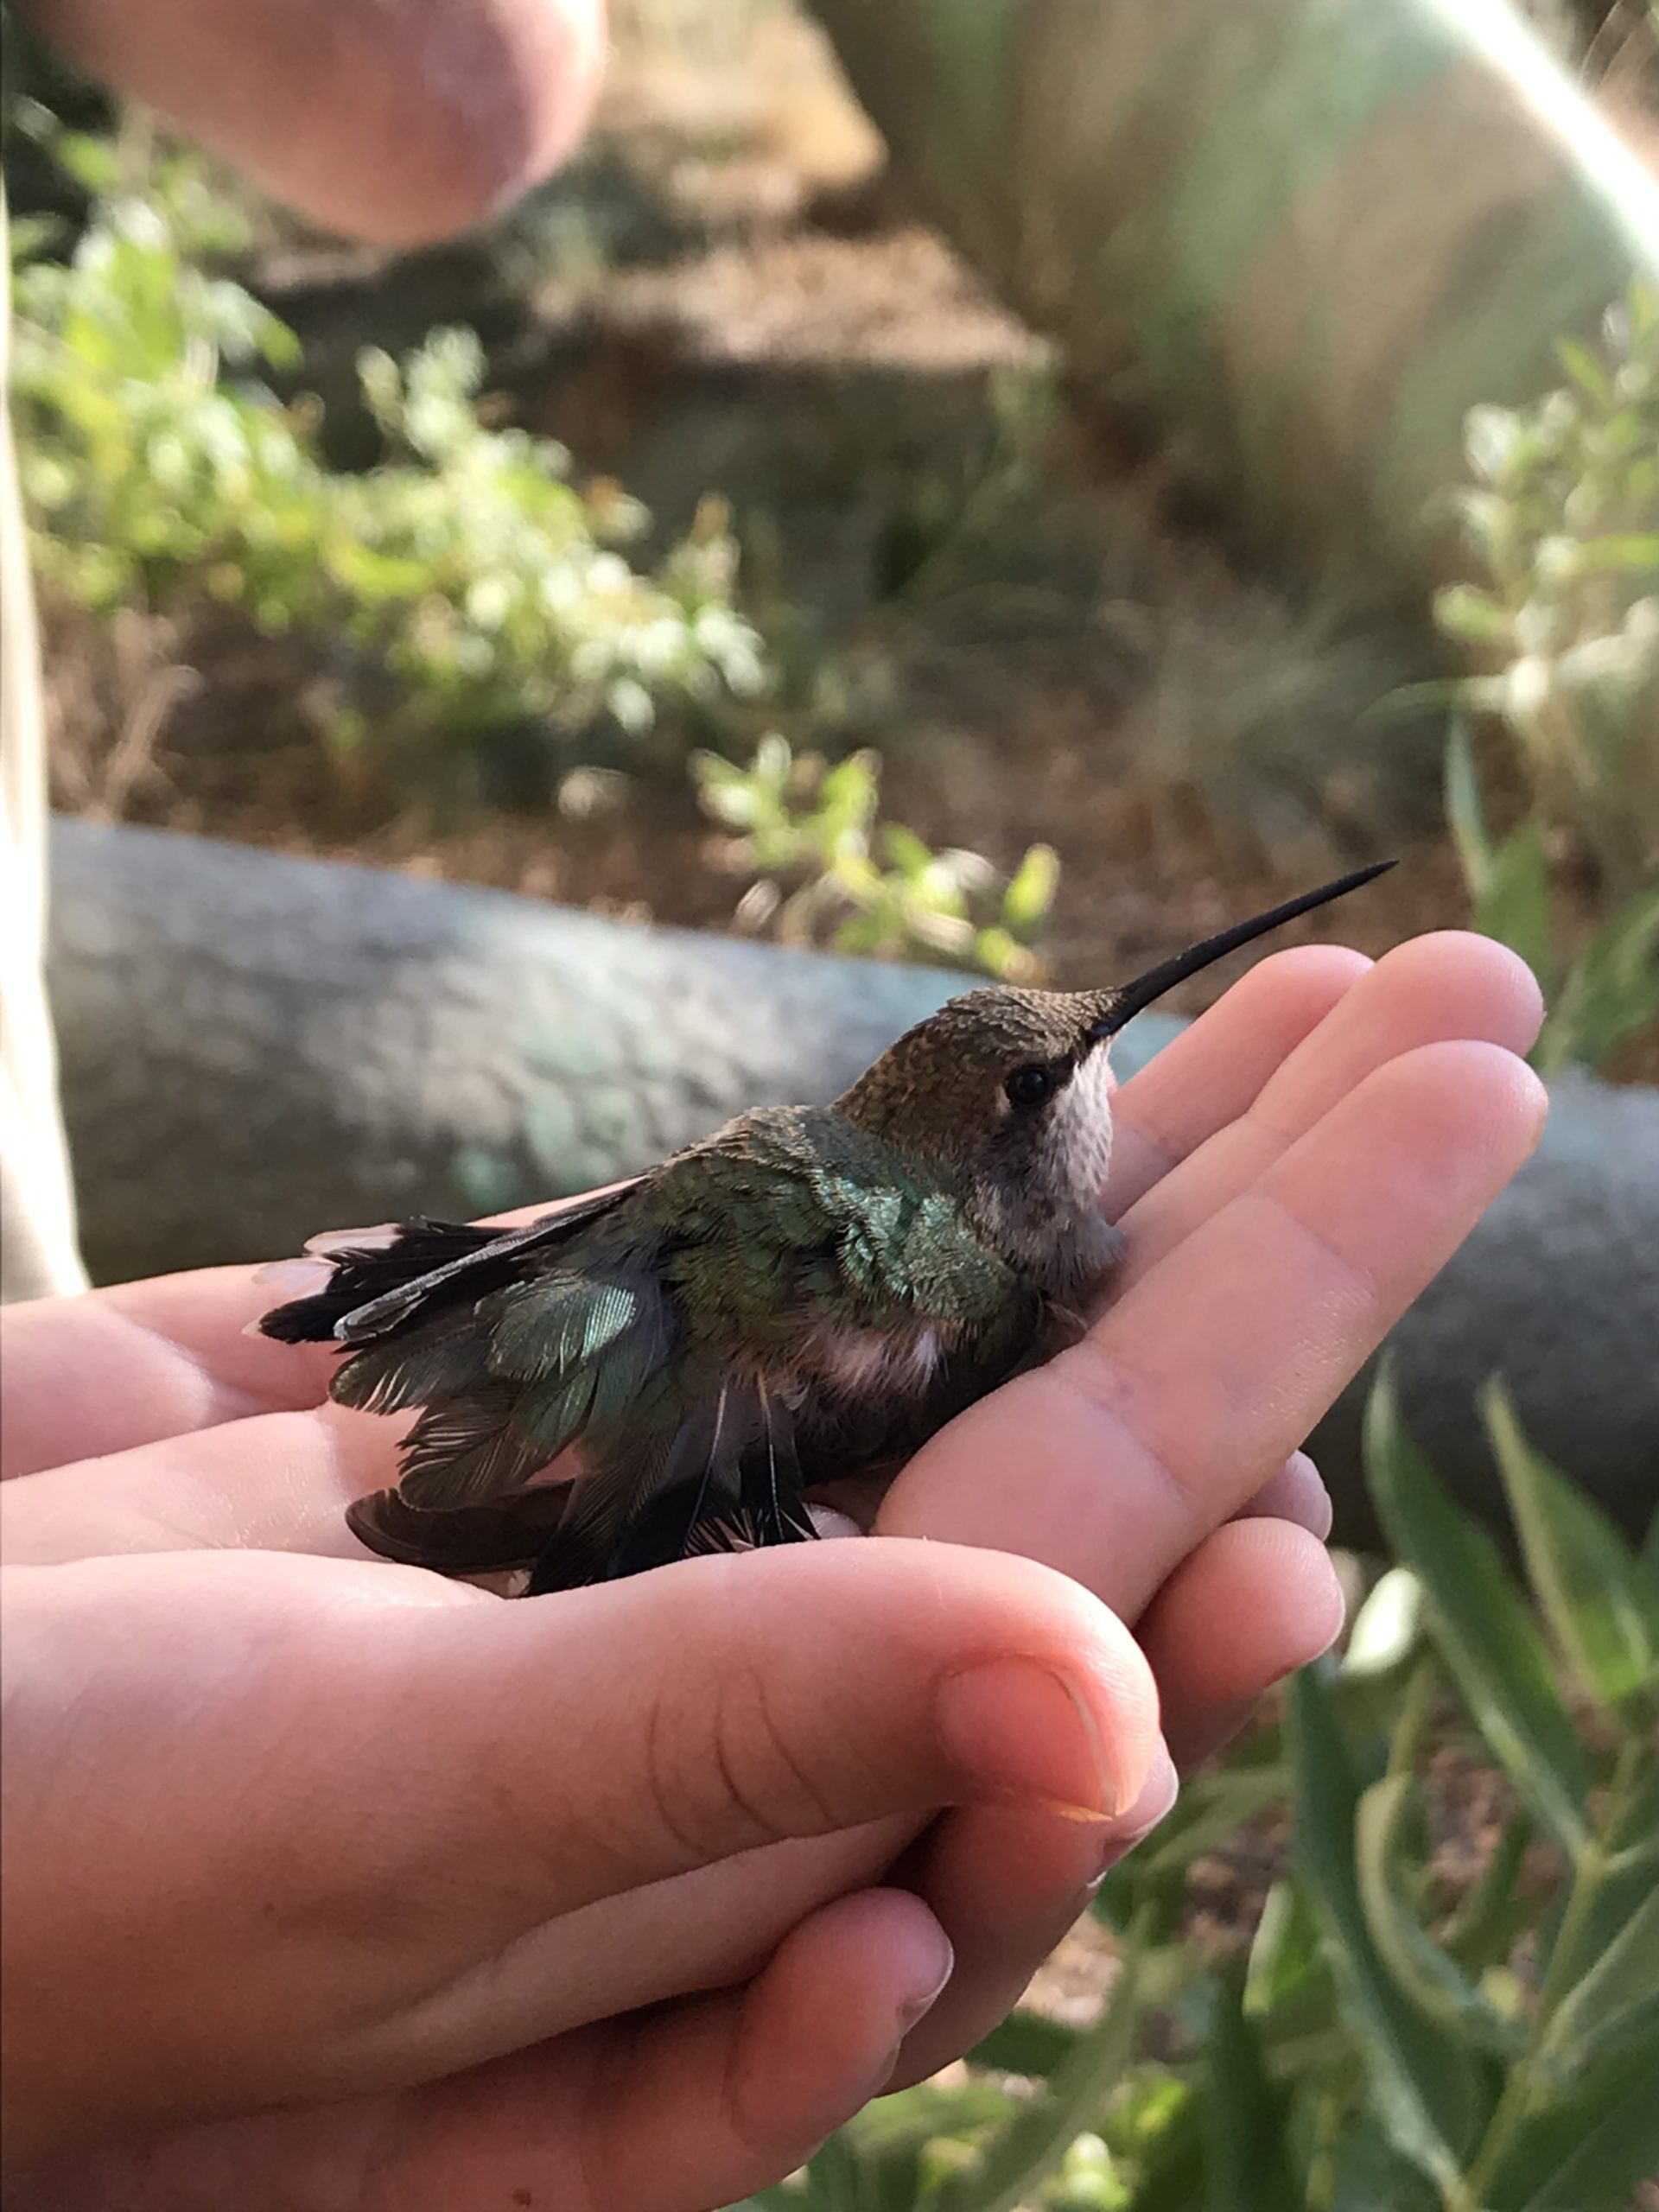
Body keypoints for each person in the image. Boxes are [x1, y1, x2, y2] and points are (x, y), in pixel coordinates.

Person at [0, 5, 1552, 2206]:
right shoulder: (982, 1267)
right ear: (1007, 1147)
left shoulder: (922, 1187)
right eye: (1059, 1073)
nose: (1094, 1071)